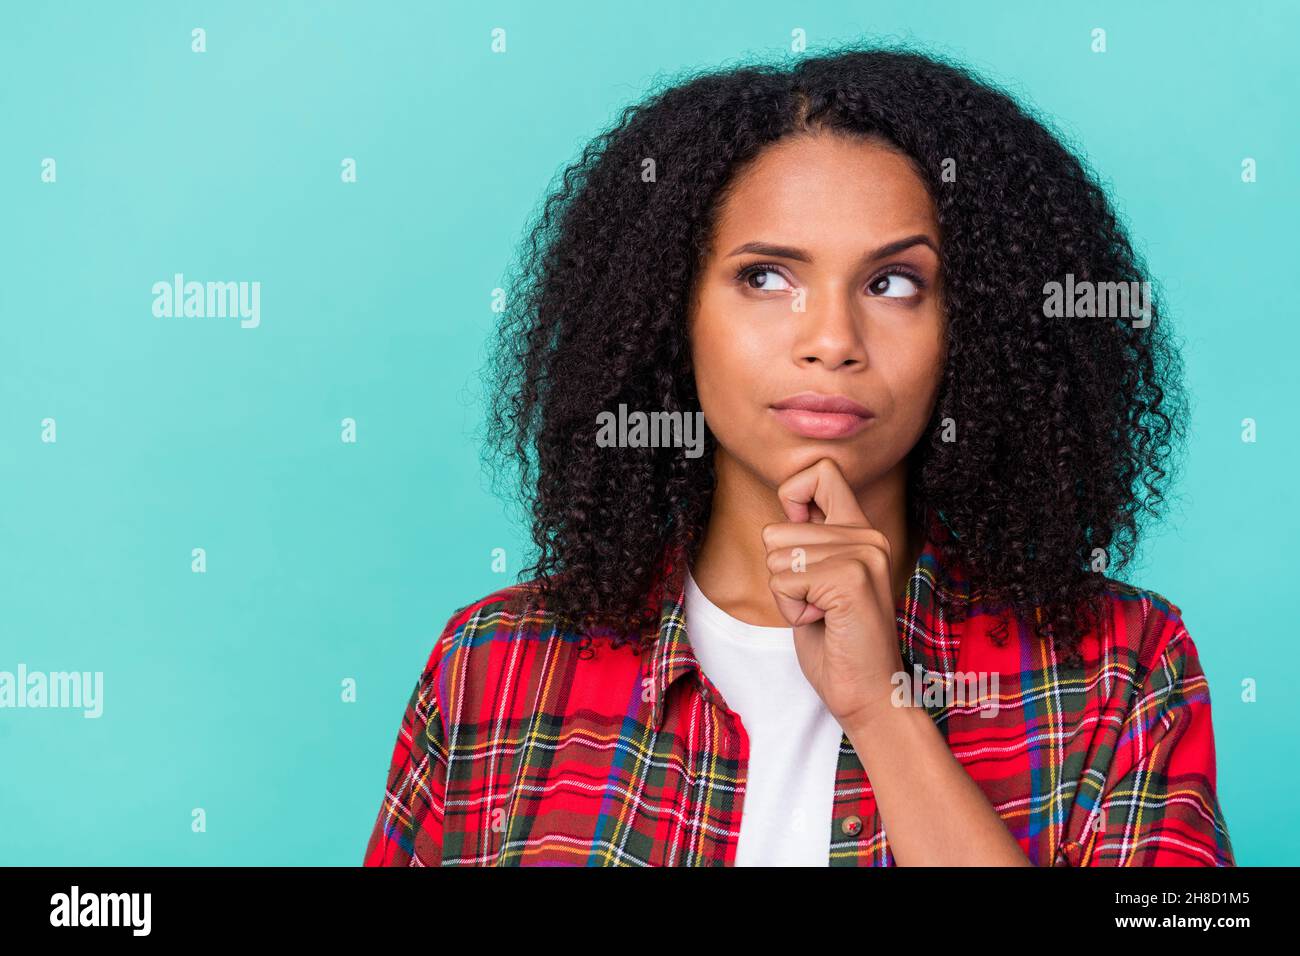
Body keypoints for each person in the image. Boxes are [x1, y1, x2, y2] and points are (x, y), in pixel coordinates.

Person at [363, 44, 1234, 866]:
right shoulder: (496, 668)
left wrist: (883, 714)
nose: (830, 340)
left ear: (976, 329)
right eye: (766, 278)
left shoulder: (1118, 665)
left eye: (893, 284)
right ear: (673, 312)